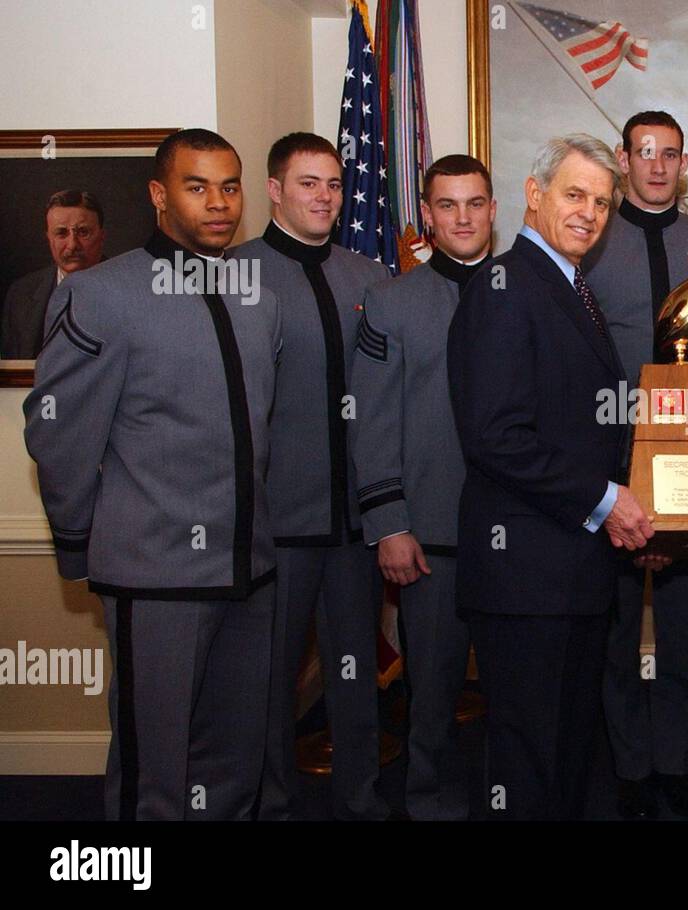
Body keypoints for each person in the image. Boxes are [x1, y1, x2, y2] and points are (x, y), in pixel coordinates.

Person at [23, 129, 280, 820]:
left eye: (230, 186)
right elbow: (59, 434)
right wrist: (79, 543)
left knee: (234, 760)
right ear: (160, 195)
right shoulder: (102, 295)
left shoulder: (260, 296)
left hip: (249, 570)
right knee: (154, 776)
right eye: (197, 187)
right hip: (154, 576)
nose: (219, 203)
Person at [447, 134, 658, 820]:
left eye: (601, 202)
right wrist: (607, 501)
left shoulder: (568, 286)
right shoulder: (507, 286)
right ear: (535, 195)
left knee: (565, 754)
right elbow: (496, 438)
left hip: (567, 569)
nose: (589, 213)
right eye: (574, 195)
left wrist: (627, 509)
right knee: (530, 759)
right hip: (526, 575)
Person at [229, 132, 390, 821]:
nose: (325, 197)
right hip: (275, 525)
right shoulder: (233, 276)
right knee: (266, 683)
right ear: (274, 189)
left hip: (356, 524)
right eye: (308, 184)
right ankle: (270, 804)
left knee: (356, 675)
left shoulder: (371, 278)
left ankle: (362, 799)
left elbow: (387, 401)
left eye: (333, 184)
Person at [581, 111, 688, 820]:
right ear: (622, 157)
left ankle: (673, 762)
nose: (656, 166)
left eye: (669, 154)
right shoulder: (591, 240)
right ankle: (628, 767)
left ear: (683, 161)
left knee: (681, 636)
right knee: (613, 636)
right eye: (643, 153)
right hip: (608, 471)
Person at [350, 153, 496, 820]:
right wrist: (391, 523)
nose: (462, 217)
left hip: (522, 538)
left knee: (518, 695)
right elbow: (371, 421)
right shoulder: (390, 303)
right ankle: (432, 805)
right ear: (427, 217)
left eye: (474, 203)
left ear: (494, 209)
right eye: (447, 205)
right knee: (432, 696)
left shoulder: (534, 290)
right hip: (430, 537)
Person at [2, 190, 106, 359]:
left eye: (83, 232)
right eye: (61, 233)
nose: (72, 245)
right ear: (49, 238)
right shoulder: (20, 294)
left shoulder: (130, 292)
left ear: (102, 237)